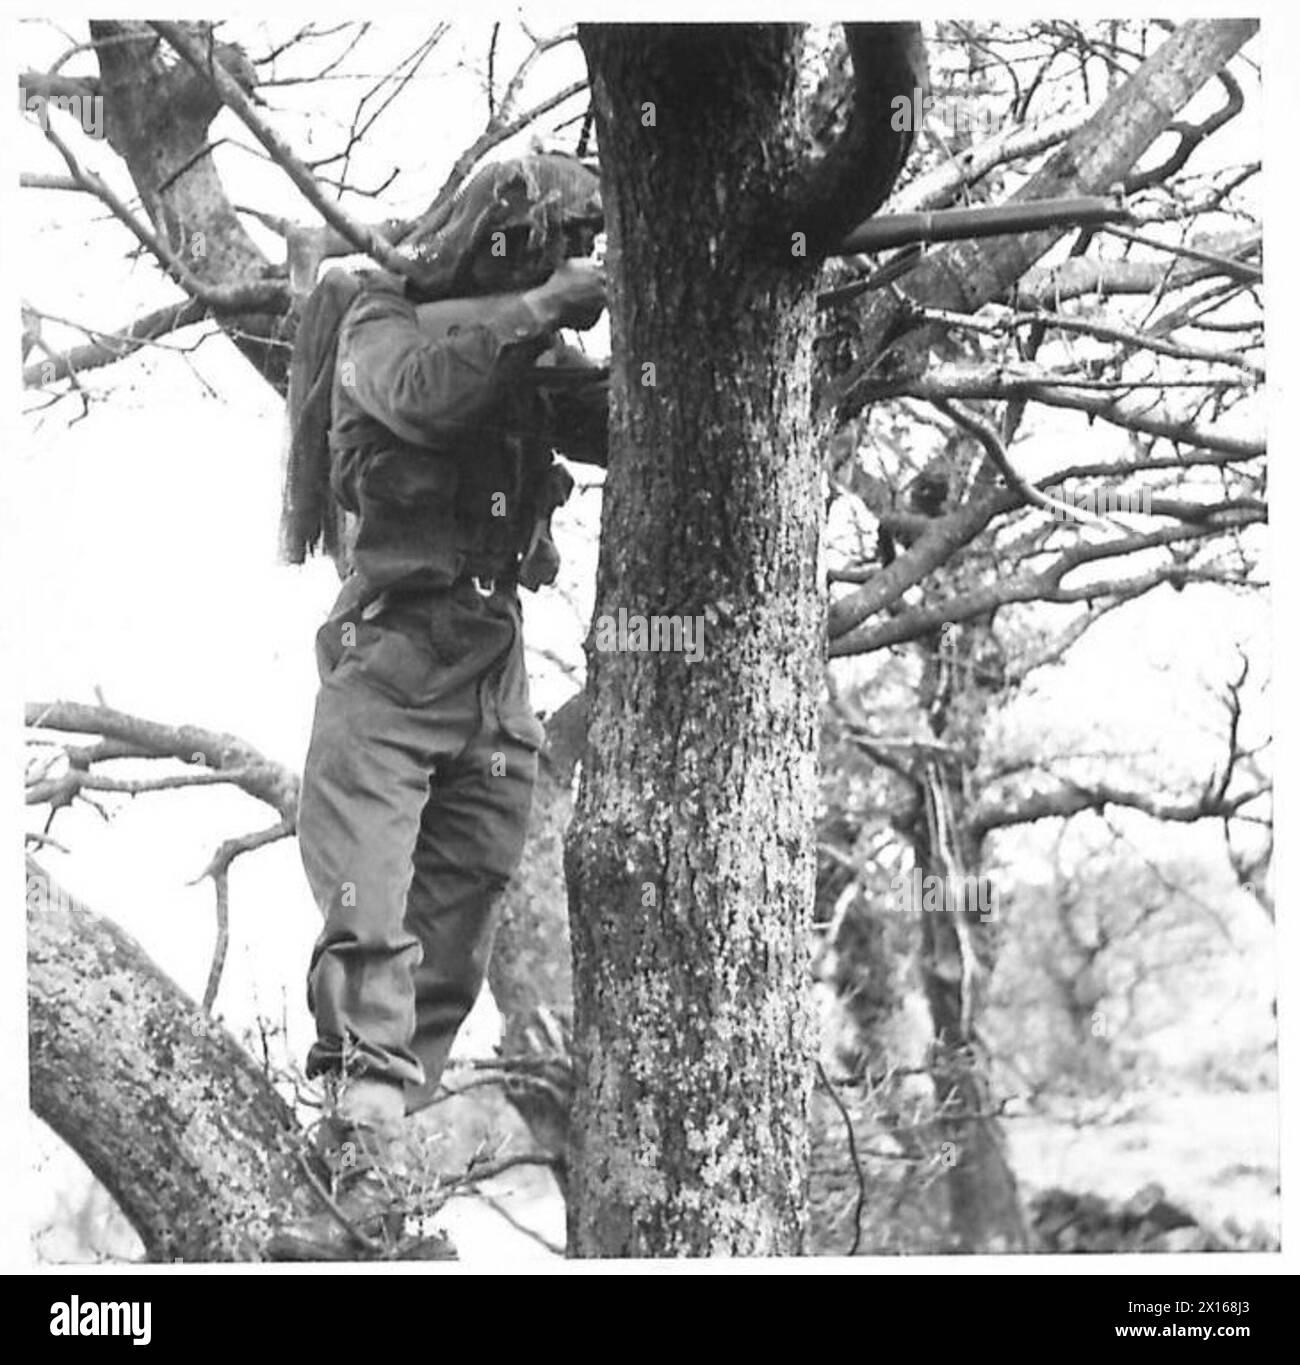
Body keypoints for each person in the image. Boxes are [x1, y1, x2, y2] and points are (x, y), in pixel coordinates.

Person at [269, 153, 607, 1259]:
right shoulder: (378, 315)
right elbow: (420, 395)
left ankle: (380, 1156)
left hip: (488, 660)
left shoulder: (515, 340)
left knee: (465, 901)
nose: (557, 269)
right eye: (544, 250)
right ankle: (362, 1126)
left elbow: (608, 423)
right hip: (391, 653)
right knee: (369, 904)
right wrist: (539, 313)